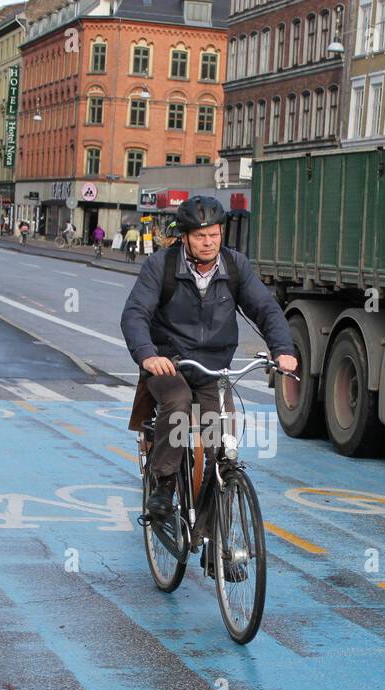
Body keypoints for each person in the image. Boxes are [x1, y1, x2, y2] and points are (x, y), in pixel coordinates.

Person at [119, 195, 298, 546]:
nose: (208, 242)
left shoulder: (235, 267)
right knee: (178, 402)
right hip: (170, 362)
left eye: (214, 235)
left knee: (221, 448)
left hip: (213, 367)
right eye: (200, 236)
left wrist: (284, 350)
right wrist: (147, 355)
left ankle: (216, 546)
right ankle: (164, 485)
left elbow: (265, 309)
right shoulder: (162, 266)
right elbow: (135, 313)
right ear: (184, 237)